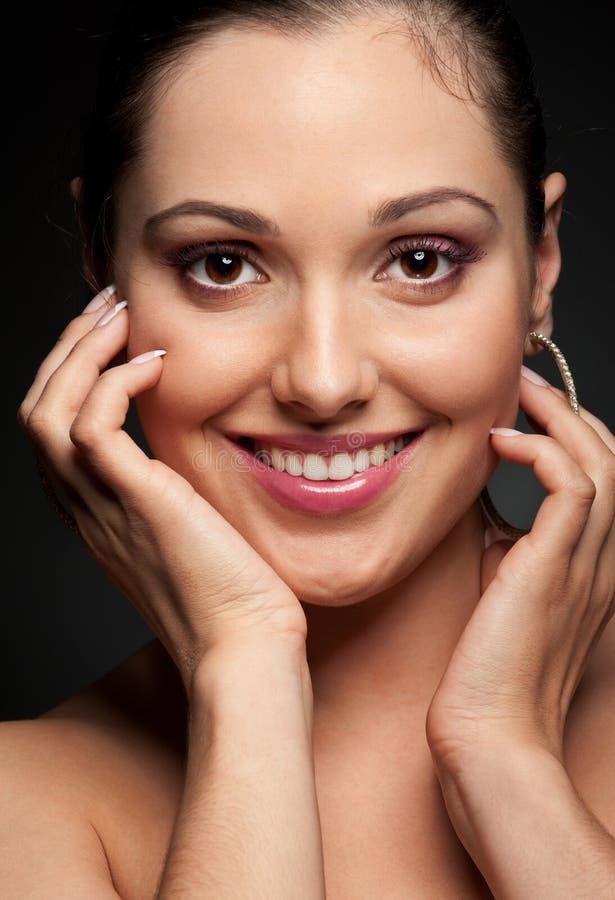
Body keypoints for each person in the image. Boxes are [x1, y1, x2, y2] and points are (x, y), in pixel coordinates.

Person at [5, 0, 615, 896]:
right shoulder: (27, 808)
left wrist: (505, 765)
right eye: (222, 264)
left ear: (540, 265)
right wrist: (244, 675)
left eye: (418, 259)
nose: (323, 383)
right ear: (104, 266)